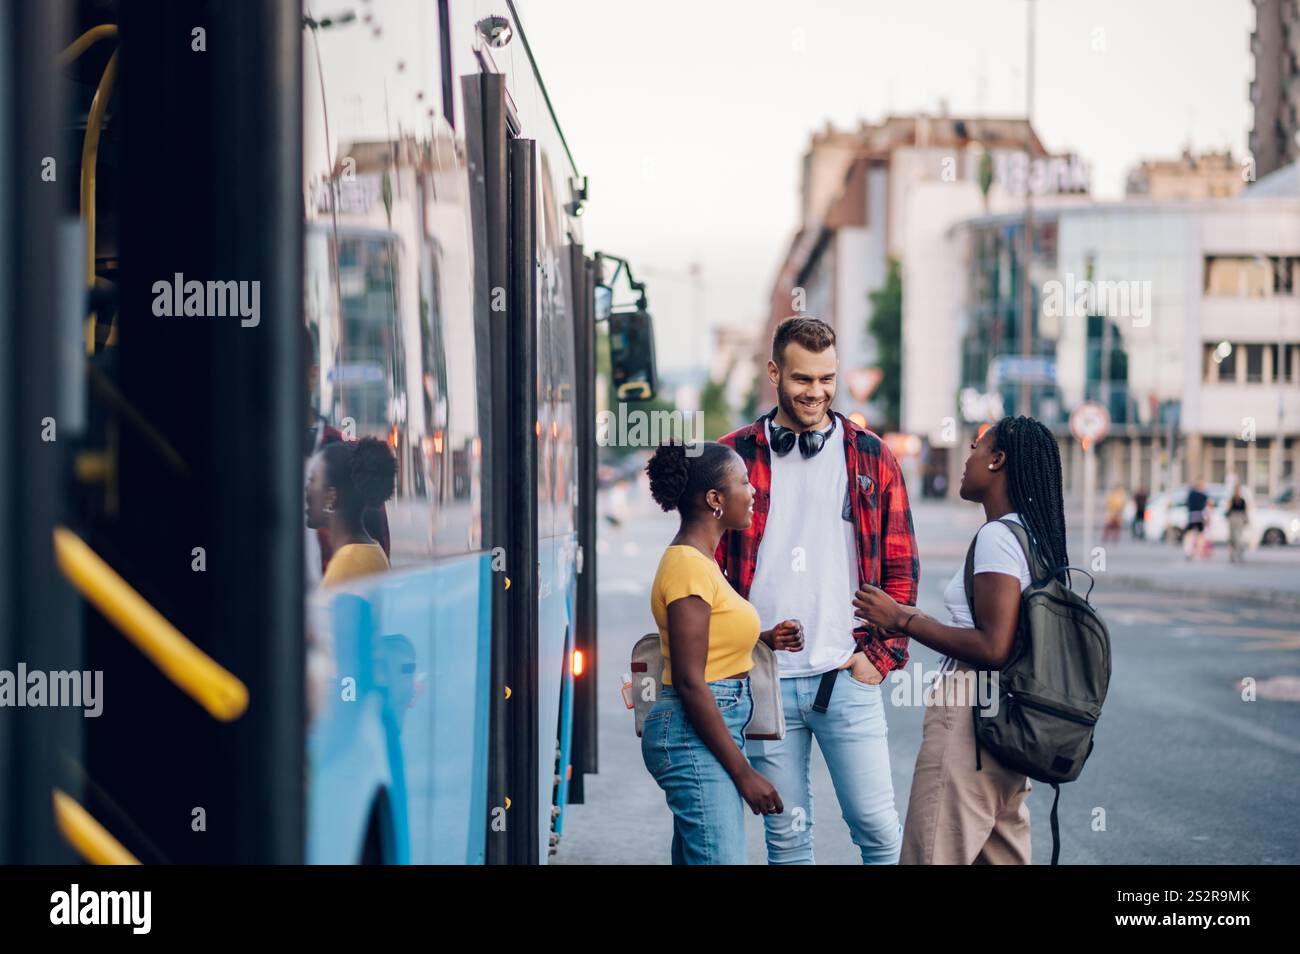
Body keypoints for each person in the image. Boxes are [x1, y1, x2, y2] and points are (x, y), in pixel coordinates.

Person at [715, 315, 919, 865]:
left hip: (846, 676)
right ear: (775, 372)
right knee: (785, 838)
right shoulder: (729, 458)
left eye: (827, 379)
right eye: (804, 379)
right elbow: (703, 573)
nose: (817, 392)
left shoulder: (871, 456)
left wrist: (881, 656)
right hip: (764, 681)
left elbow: (901, 567)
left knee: (878, 830)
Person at [854, 416, 1067, 864]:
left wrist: (903, 619)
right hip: (1011, 718)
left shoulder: (997, 537)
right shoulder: (1034, 536)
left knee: (930, 854)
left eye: (975, 447)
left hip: (972, 718)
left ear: (997, 460)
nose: (966, 459)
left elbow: (993, 646)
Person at [641, 441, 803, 865]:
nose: (754, 492)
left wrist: (763, 637)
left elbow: (706, 644)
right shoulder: (689, 567)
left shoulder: (700, 562)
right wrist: (745, 774)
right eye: (744, 482)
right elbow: (692, 681)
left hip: (704, 728)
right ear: (715, 499)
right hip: (692, 732)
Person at [305, 436, 398, 586]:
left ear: (331, 497)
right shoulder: (370, 550)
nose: (306, 489)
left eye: (313, 480)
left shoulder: (346, 566)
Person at [1184, 479, 1209, 560]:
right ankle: (1197, 551)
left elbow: (1187, 504)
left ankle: (1189, 551)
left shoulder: (1191, 494)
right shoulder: (1203, 495)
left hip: (1192, 515)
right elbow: (1207, 506)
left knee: (1190, 534)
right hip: (1199, 515)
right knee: (1199, 535)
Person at [1226, 484, 1249, 563]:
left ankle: (1238, 552)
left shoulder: (1238, 500)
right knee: (1235, 537)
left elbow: (1228, 509)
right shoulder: (1236, 500)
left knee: (1236, 537)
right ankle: (1236, 553)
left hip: (1236, 518)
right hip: (1237, 518)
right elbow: (1245, 510)